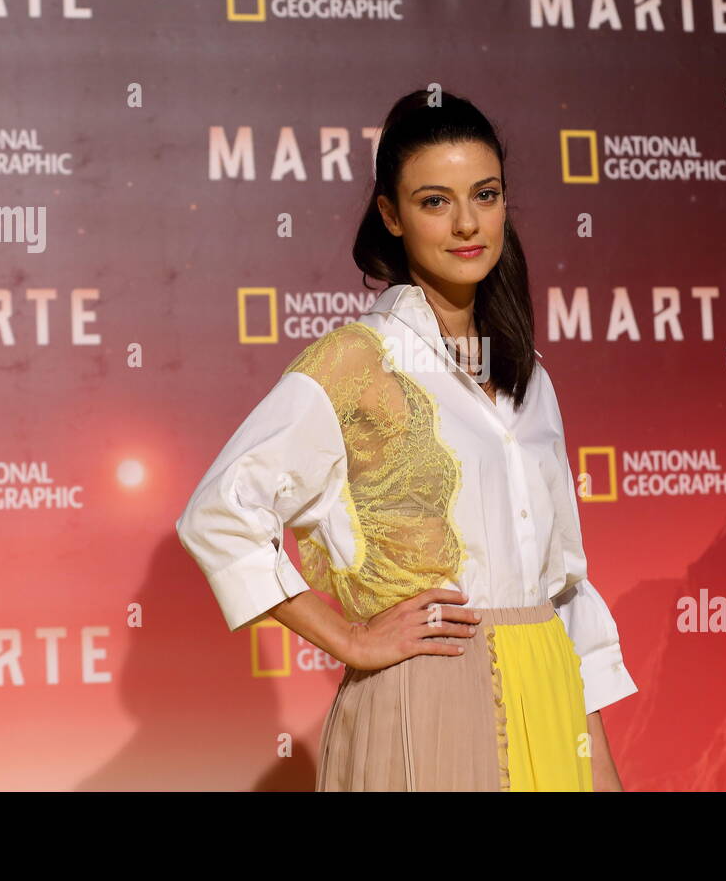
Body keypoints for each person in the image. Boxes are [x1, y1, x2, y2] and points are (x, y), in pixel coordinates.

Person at [175, 89, 637, 791]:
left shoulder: (529, 377)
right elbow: (221, 511)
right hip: (425, 701)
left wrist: (598, 767)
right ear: (390, 215)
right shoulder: (359, 361)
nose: (465, 223)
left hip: (551, 698)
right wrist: (351, 639)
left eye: (485, 195)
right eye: (433, 201)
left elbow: (564, 586)